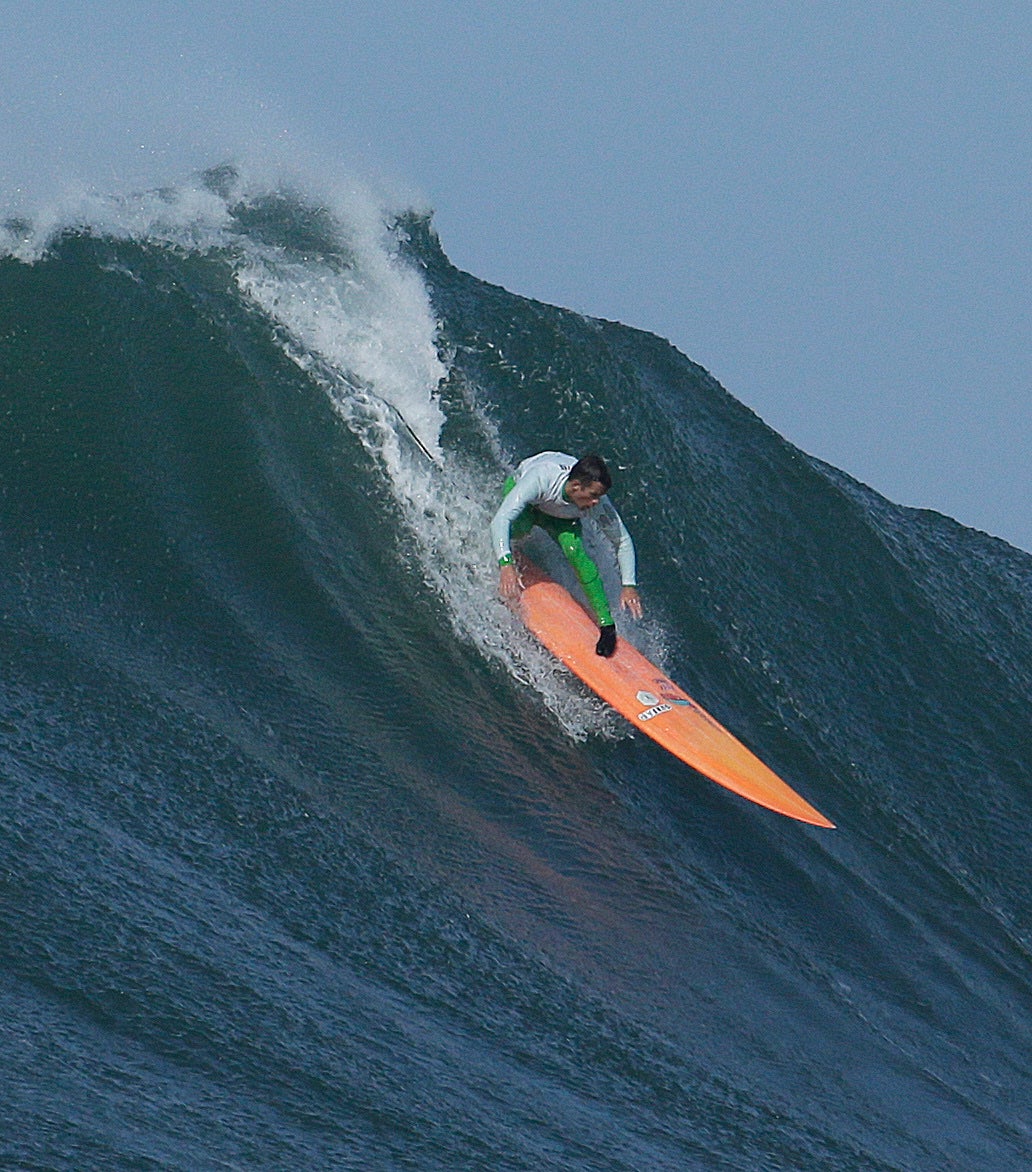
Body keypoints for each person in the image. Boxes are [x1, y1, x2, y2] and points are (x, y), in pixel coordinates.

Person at [490, 451, 643, 657]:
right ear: (576, 486)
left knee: (577, 556)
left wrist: (629, 585)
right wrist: (506, 564)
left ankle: (607, 627)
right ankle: (507, 551)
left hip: (560, 519)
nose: (597, 502)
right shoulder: (541, 478)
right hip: (529, 502)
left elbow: (623, 541)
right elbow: (501, 519)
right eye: (593, 496)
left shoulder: (597, 505)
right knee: (520, 527)